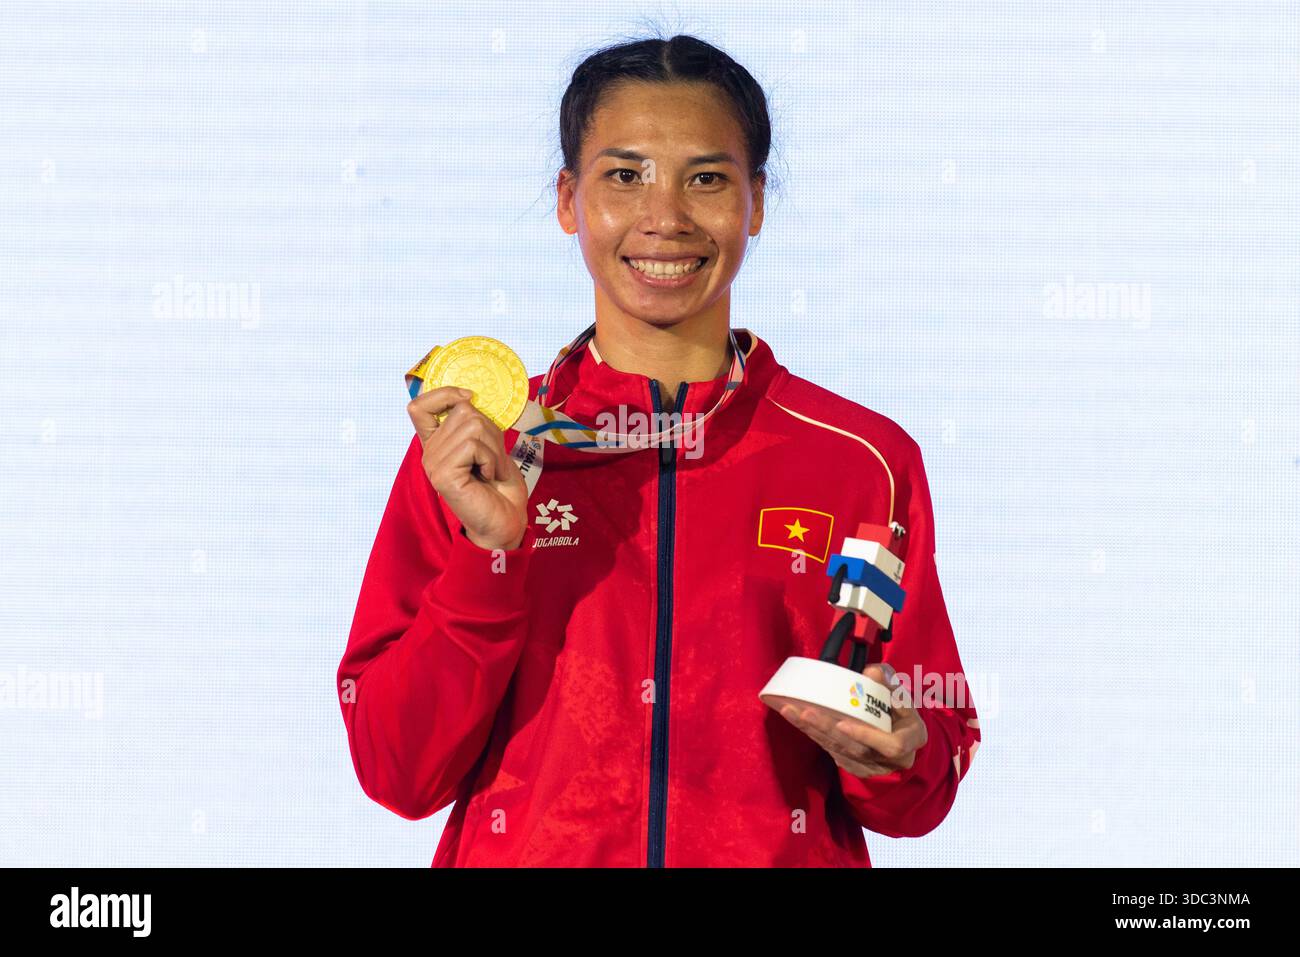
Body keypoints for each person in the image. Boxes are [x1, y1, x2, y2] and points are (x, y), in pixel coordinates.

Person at [337, 33, 980, 867]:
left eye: (706, 179)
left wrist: (899, 753)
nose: (665, 216)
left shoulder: (861, 459)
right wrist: (491, 554)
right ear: (569, 200)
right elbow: (396, 769)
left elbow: (926, 773)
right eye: (624, 175)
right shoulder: (483, 449)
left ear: (756, 202)